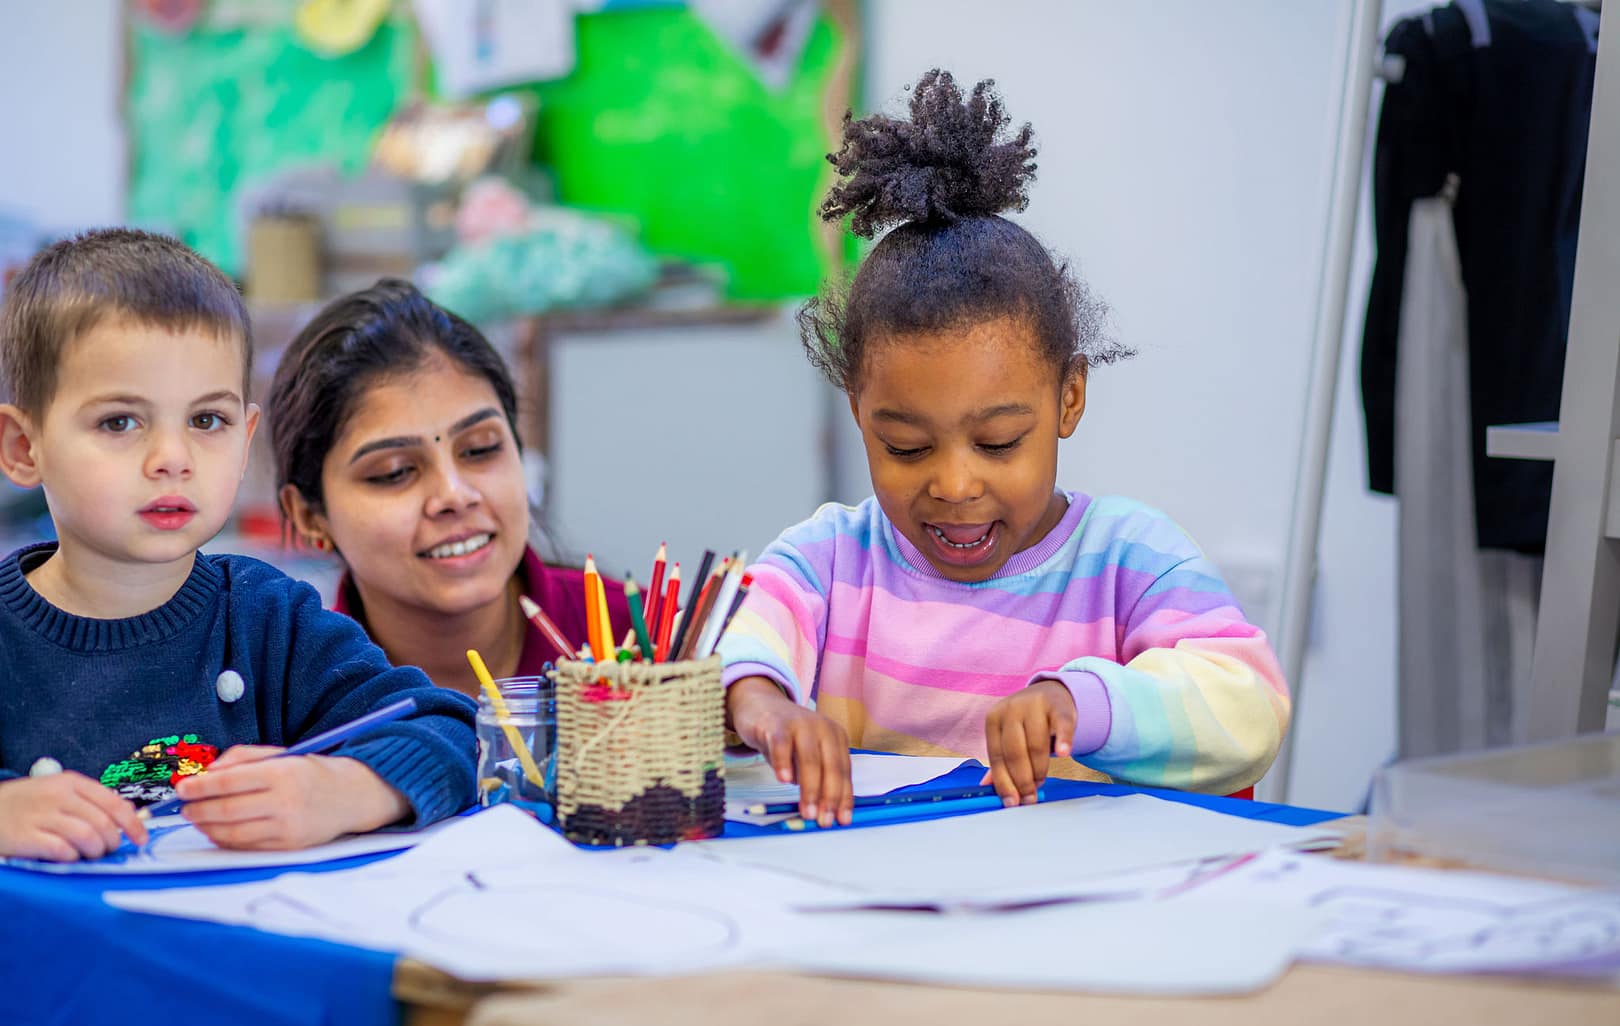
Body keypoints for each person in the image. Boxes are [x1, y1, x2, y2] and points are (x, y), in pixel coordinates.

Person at [719, 72, 1290, 828]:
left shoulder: (1130, 560)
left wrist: (1080, 703)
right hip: (874, 916)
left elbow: (1250, 709)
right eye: (906, 446)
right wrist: (763, 709)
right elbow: (739, 647)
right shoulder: (829, 561)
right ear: (858, 412)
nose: (955, 484)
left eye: (997, 442)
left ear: (1069, 399)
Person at [0, 229, 477, 862]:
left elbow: (448, 730)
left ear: (247, 437)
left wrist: (339, 789)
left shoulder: (268, 619)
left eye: (207, 421)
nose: (172, 459)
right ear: (23, 448)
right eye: (119, 421)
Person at [267, 279, 627, 700]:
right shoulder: (291, 704)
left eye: (480, 449)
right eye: (394, 472)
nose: (454, 495)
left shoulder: (646, 645)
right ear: (309, 516)